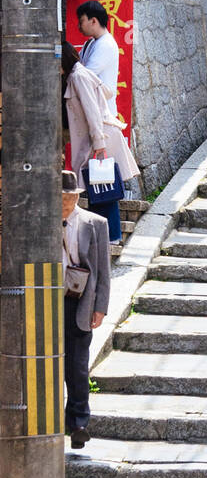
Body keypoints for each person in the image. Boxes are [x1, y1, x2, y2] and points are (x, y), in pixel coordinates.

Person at [62, 41, 139, 244]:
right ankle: (106, 237)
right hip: (99, 137)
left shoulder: (78, 77)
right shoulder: (80, 74)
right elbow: (105, 92)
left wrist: (99, 144)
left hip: (99, 138)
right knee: (100, 189)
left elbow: (92, 111)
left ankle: (110, 237)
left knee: (103, 189)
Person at [61, 169, 111, 450]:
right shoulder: (42, 221)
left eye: (69, 198)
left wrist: (100, 307)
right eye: (60, 198)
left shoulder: (95, 223)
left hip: (80, 302)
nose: (65, 203)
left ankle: (79, 424)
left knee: (78, 367)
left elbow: (103, 269)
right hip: (47, 300)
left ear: (77, 197)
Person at [76, 1, 120, 102]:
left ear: (93, 21)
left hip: (102, 108)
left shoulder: (106, 44)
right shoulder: (91, 42)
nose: (79, 26)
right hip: (94, 106)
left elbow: (84, 76)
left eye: (81, 21)